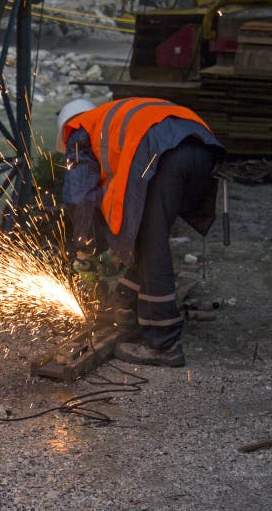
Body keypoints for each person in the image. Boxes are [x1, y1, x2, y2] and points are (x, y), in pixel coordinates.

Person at [57, 97, 225, 367]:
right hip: (204, 148)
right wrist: (118, 249)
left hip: (164, 153)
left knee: (150, 243)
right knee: (147, 237)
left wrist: (85, 250)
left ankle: (163, 342)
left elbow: (80, 198)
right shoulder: (113, 121)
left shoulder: (81, 130)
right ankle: (127, 304)